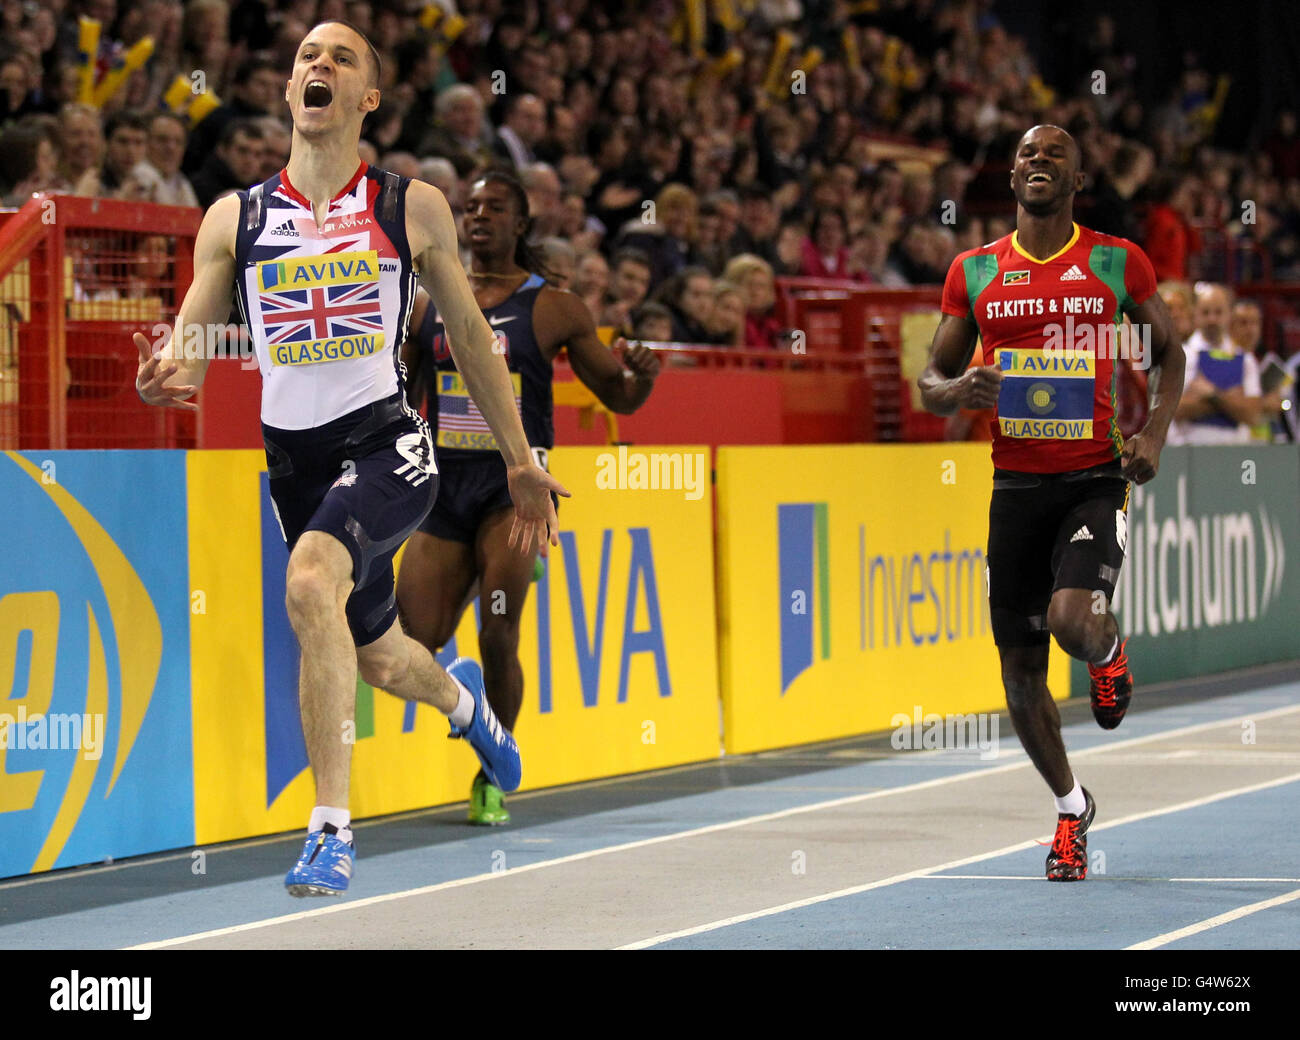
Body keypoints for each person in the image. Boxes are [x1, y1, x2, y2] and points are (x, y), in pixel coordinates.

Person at [133, 20, 565, 896]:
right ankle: (466, 705)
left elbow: (475, 341)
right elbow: (191, 340)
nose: (317, 66)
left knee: (306, 583)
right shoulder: (236, 217)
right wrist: (164, 375)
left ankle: (331, 829)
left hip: (387, 445)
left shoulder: (410, 207)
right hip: (293, 460)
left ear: (366, 99)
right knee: (376, 654)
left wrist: (519, 457)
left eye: (341, 58)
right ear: (291, 94)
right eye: (305, 58)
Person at [918, 125, 1184, 882]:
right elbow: (928, 382)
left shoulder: (1114, 261)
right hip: (1015, 487)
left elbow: (1170, 350)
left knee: (1072, 621)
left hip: (1095, 475)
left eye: (1054, 155)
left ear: (1076, 179)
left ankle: (1106, 650)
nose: (1039, 162)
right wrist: (957, 389)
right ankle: (1072, 811)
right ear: (1011, 175)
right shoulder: (973, 272)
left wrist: (1154, 436)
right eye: (1028, 154)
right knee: (1020, 674)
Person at [397, 170, 660, 825]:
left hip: (517, 492)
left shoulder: (556, 307)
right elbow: (398, 388)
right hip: (443, 484)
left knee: (497, 628)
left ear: (521, 224)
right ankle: (471, 706)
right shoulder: (428, 298)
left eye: (495, 208)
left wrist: (643, 379)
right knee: (411, 644)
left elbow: (619, 396)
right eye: (472, 207)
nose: (479, 216)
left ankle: (492, 775)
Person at [1169, 285, 1281, 444]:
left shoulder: (1246, 359)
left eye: (1218, 312)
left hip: (1234, 452)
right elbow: (1174, 410)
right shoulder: (1181, 356)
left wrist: (1212, 394)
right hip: (1189, 451)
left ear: (1229, 315)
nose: (1212, 319)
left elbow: (1253, 414)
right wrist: (1233, 401)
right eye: (1206, 312)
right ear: (1195, 313)